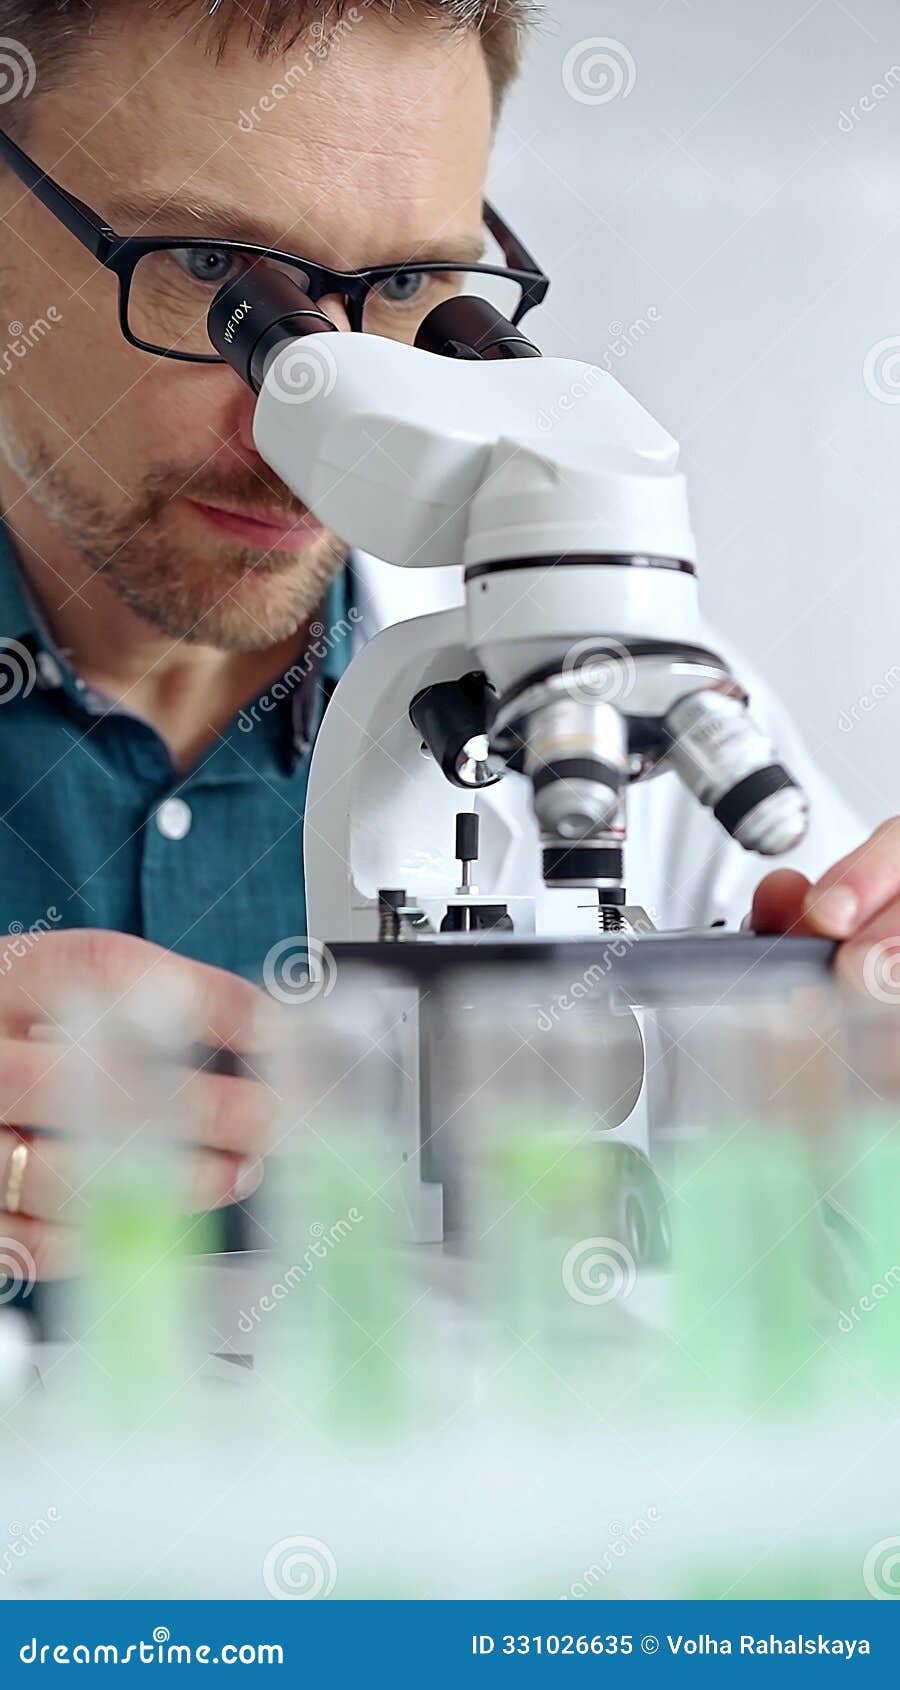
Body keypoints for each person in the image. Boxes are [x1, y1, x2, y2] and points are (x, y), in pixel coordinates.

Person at [0, 0, 891, 1286]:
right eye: (215, 275)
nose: (313, 424)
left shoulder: (588, 665)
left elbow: (835, 1225)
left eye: (412, 287)